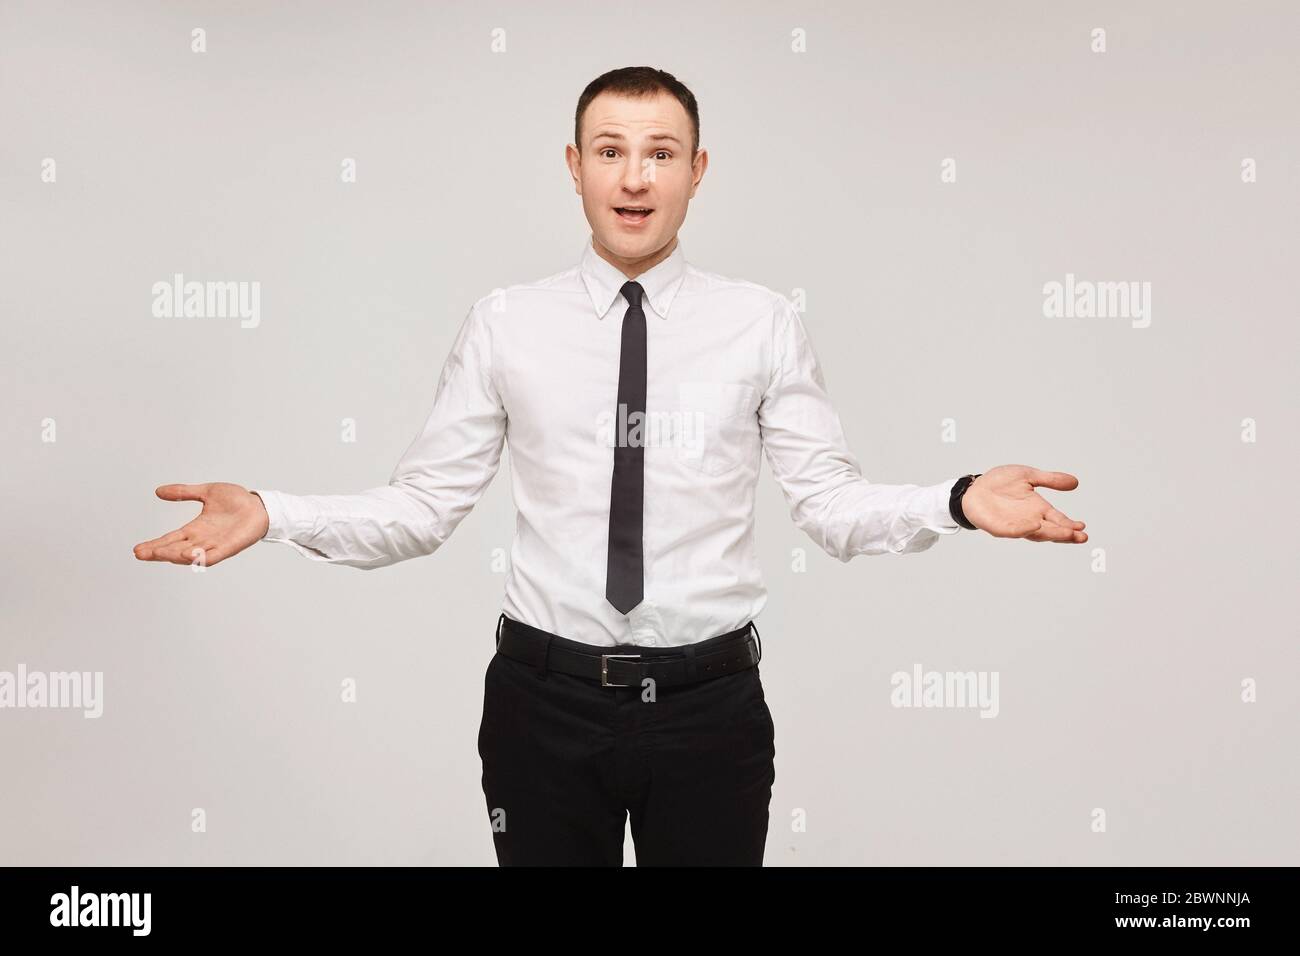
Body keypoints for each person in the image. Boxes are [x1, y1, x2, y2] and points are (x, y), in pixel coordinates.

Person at [133, 66, 1087, 866]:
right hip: (541, 709)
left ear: (698, 171)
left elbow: (830, 505)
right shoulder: (508, 322)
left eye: (662, 154)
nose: (635, 179)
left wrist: (957, 500)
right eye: (611, 151)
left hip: (709, 709)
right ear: (575, 166)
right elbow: (422, 509)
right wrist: (276, 510)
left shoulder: (760, 323)